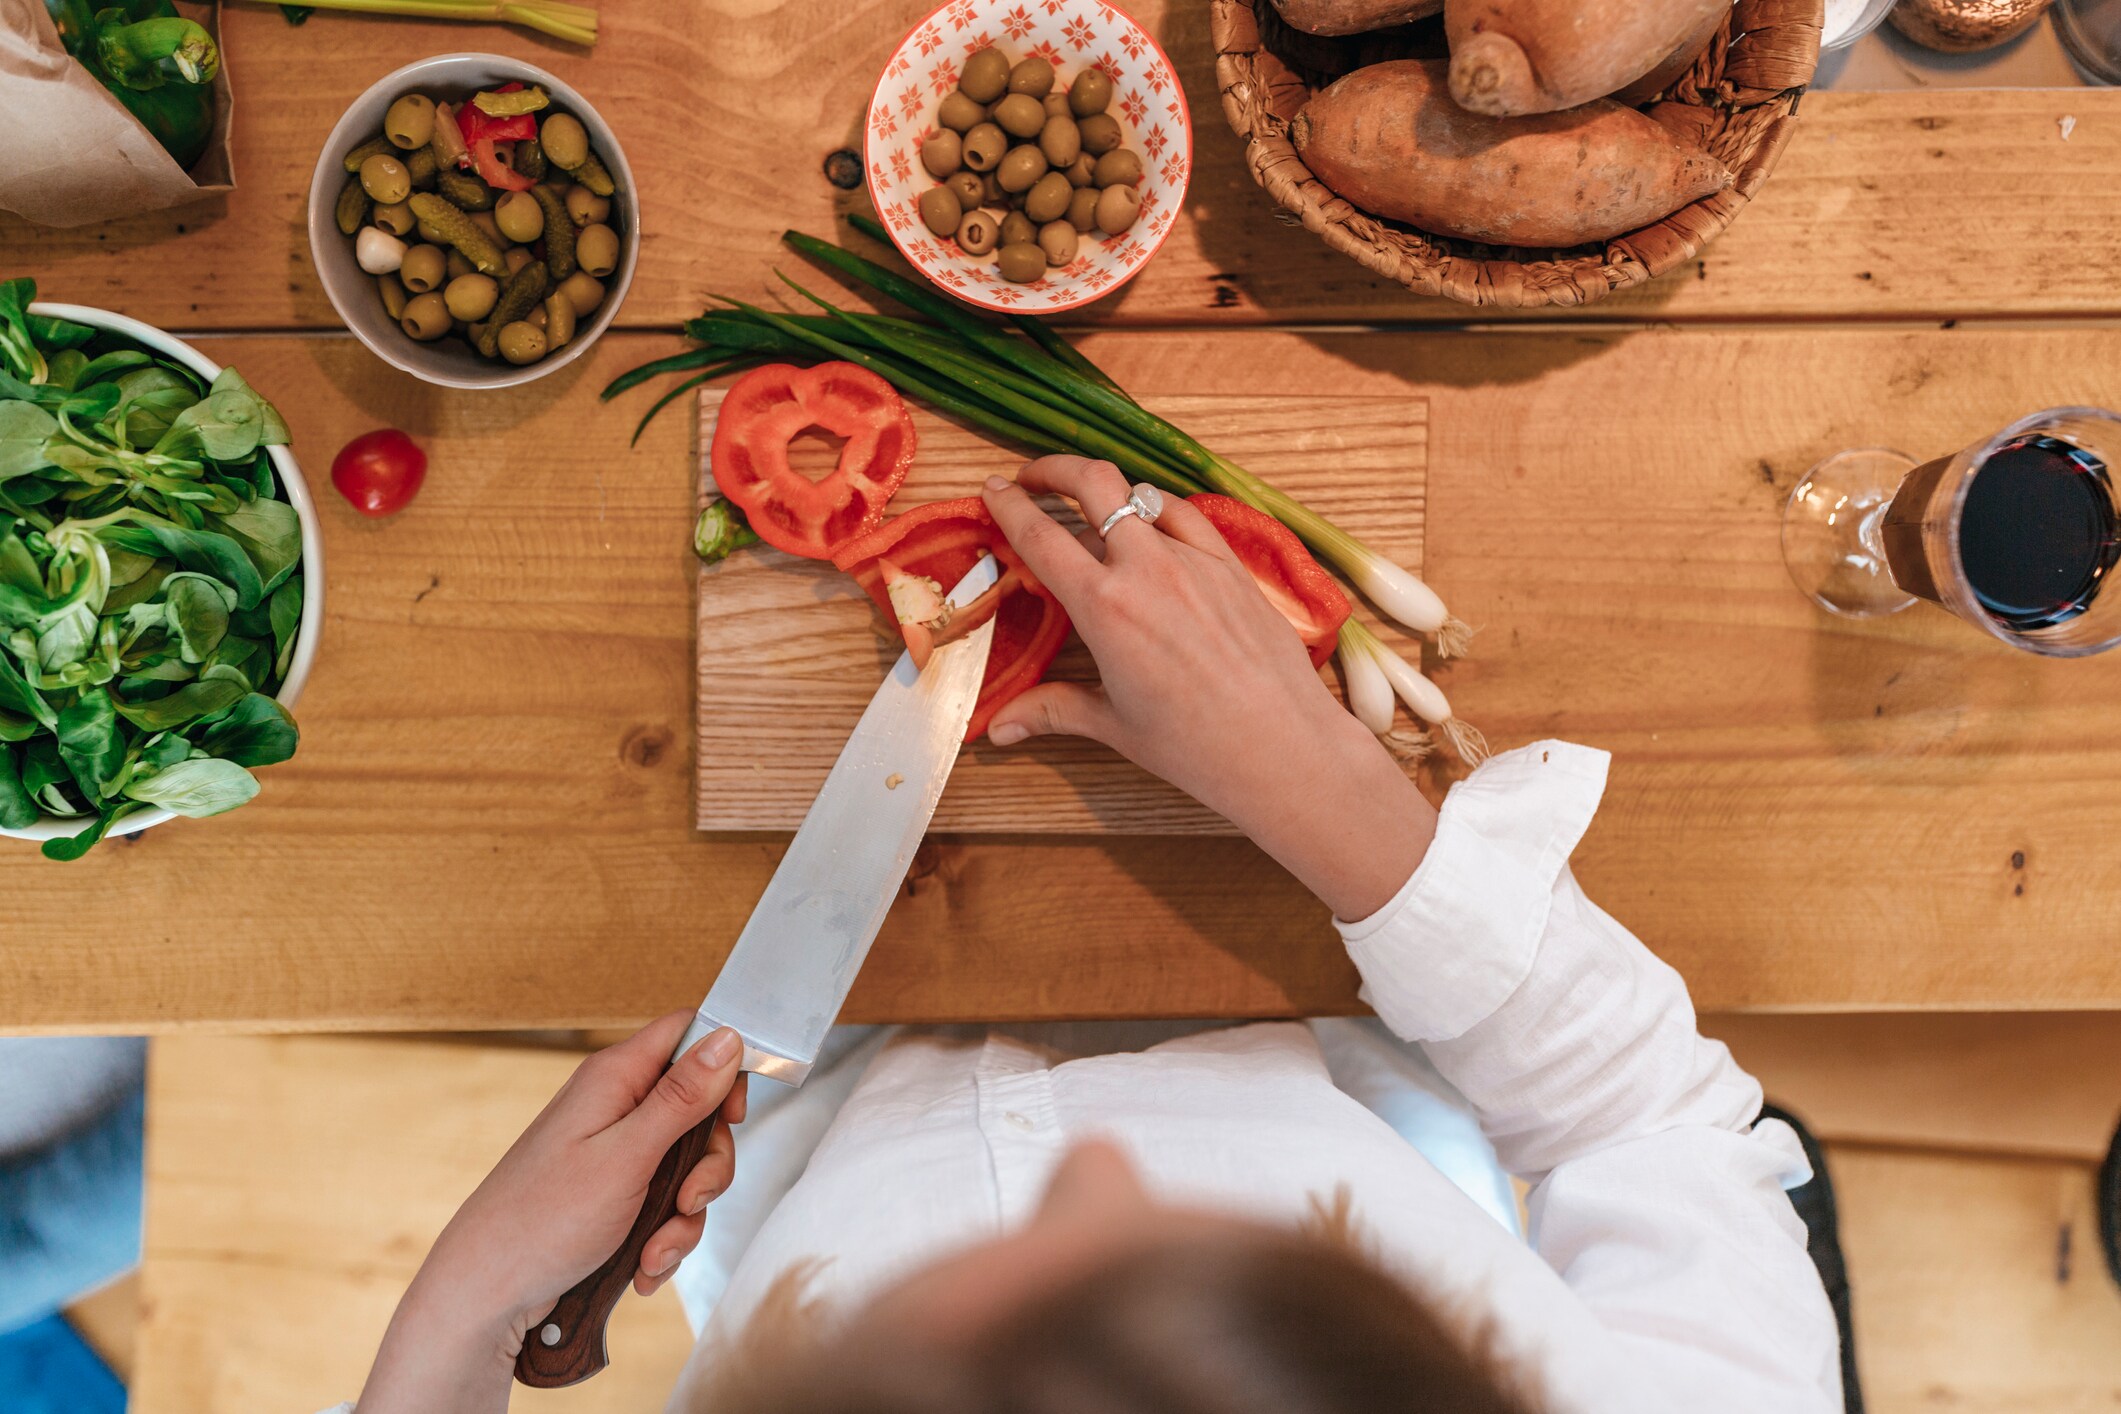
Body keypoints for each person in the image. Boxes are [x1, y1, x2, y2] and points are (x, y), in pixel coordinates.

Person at [336, 456, 1843, 1414]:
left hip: (790, 1126)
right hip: (1310, 995)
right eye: (1258, 1267)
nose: (1099, 1164)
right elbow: (1651, 1124)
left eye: (1054, 1238)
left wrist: (472, 1310)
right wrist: (1326, 785)